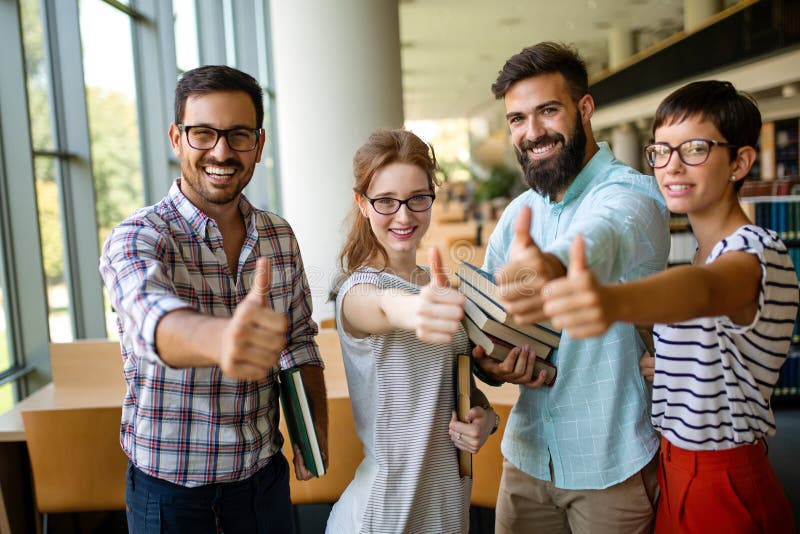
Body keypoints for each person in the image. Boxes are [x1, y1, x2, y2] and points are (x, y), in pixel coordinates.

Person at [542, 80, 798, 533]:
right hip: (674, 467)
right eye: (660, 151)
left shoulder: (754, 252)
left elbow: (703, 291)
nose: (671, 166)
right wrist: (670, 365)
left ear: (739, 162)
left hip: (724, 480)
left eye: (695, 149)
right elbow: (721, 343)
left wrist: (609, 300)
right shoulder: (702, 250)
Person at [99, 65, 326, 533]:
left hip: (263, 485)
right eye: (203, 133)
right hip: (169, 496)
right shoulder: (138, 236)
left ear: (258, 145)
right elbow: (151, 318)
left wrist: (312, 431)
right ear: (176, 138)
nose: (221, 152)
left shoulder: (279, 236)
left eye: (239, 135)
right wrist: (221, 338)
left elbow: (300, 342)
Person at [472, 42, 671, 533]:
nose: (532, 132)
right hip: (527, 459)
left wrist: (552, 264)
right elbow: (489, 322)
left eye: (547, 111)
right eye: (517, 119)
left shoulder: (633, 195)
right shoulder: (518, 214)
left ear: (584, 109)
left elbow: (604, 236)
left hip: (612, 466)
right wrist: (494, 365)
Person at [326, 129, 498, 533]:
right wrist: (412, 308)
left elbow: (454, 393)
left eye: (417, 198)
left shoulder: (440, 290)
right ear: (363, 204)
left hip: (446, 512)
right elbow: (382, 305)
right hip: (384, 517)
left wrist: (485, 421)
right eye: (386, 201)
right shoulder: (357, 290)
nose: (404, 216)